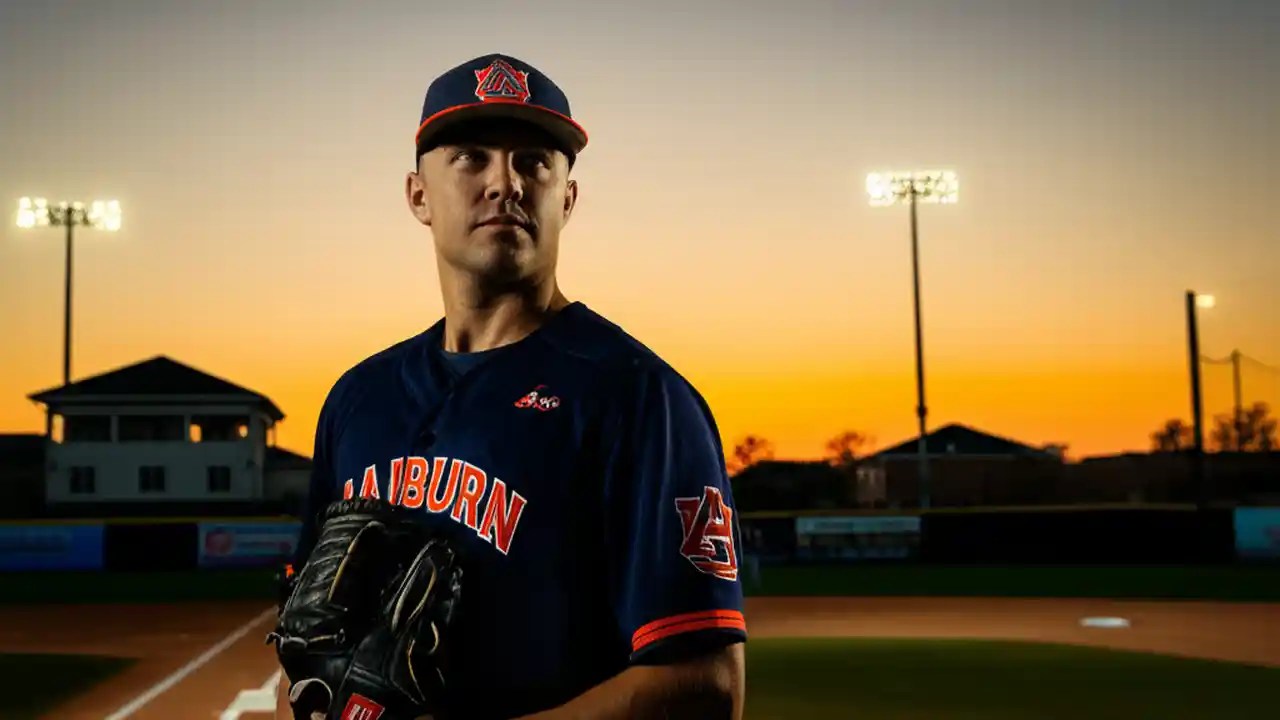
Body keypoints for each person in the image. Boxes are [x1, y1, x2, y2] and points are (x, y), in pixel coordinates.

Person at [276, 53, 747, 720]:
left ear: (567, 197)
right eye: (471, 157)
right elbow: (301, 657)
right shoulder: (359, 398)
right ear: (418, 195)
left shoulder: (638, 397)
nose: (506, 182)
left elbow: (706, 685)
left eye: (534, 162)